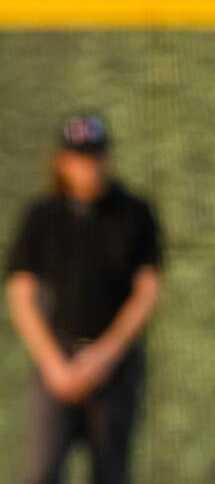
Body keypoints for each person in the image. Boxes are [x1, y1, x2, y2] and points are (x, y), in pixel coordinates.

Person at [5, 114, 163, 484]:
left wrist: (104, 355)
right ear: (62, 160)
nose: (88, 167)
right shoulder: (42, 216)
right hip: (56, 361)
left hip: (114, 367)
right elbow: (21, 294)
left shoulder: (134, 213)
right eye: (80, 157)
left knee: (110, 474)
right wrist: (54, 365)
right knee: (42, 471)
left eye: (95, 156)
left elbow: (148, 290)